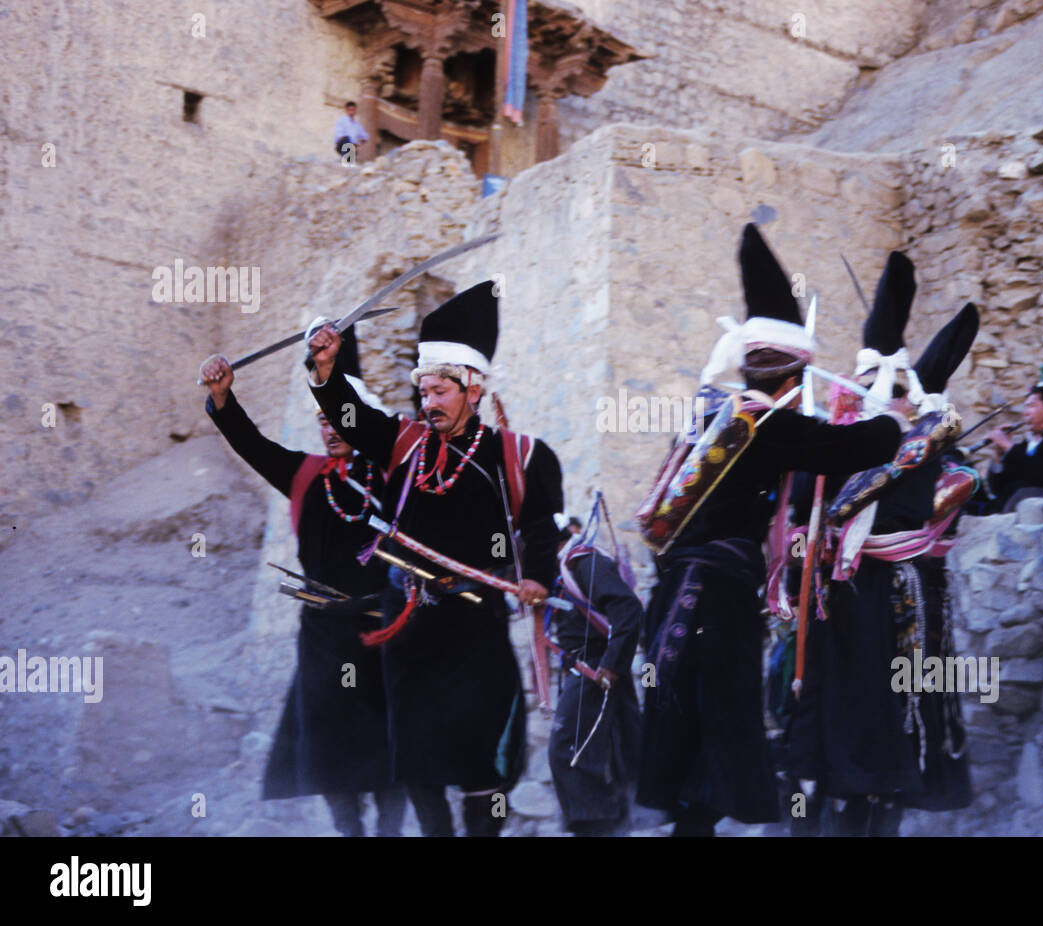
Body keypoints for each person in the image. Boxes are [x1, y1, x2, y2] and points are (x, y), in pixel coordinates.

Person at [635, 224, 909, 836]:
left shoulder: (717, 413)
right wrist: (889, 419)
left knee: (696, 716)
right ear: (795, 377)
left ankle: (691, 820)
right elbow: (849, 447)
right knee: (717, 713)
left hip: (683, 587)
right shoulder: (767, 424)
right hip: (715, 594)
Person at [305, 281, 565, 836]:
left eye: (440, 391)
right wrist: (326, 369)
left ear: (473, 387)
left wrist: (538, 577)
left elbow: (541, 529)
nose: (429, 403)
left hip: (477, 625)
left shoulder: (519, 457)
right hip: (411, 626)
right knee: (417, 759)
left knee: (482, 759)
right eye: (423, 392)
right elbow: (351, 418)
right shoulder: (403, 445)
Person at [782, 252, 977, 837]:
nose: (864, 393)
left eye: (878, 385)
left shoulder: (924, 448)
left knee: (886, 721)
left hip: (895, 599)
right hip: (833, 599)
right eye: (863, 383)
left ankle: (872, 809)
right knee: (814, 712)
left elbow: (923, 519)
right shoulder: (833, 440)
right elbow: (800, 518)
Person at [198, 347, 405, 837]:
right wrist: (223, 398)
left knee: (389, 737)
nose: (329, 428)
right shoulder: (306, 475)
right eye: (322, 420)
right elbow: (253, 445)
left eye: (338, 418)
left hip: (385, 628)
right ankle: (350, 831)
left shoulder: (392, 477)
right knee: (332, 739)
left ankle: (391, 833)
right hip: (324, 636)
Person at [545, 515, 642, 836]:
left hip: (596, 669)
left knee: (570, 752)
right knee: (611, 753)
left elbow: (627, 608)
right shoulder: (565, 570)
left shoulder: (582, 561)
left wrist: (611, 666)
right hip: (588, 670)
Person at [969, 380, 1043, 514]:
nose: (1025, 413)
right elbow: (998, 489)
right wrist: (998, 455)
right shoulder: (1023, 446)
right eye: (1025, 407)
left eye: (1031, 406)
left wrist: (1008, 446)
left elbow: (1042, 477)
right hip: (1006, 508)